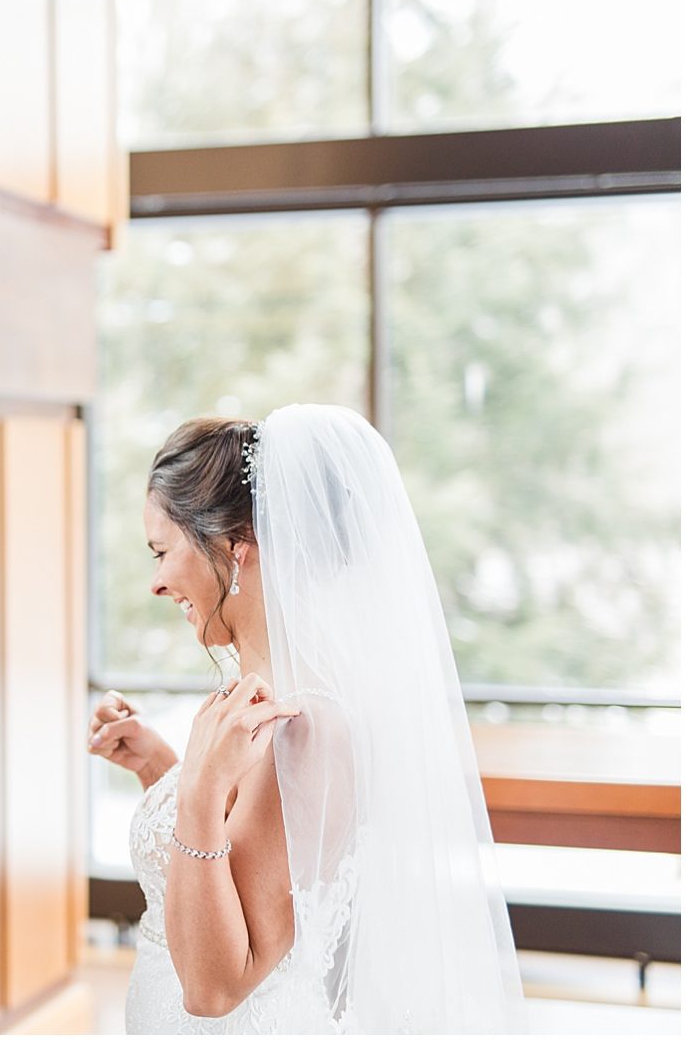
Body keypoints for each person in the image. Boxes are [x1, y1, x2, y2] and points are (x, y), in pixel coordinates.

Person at [89, 404, 523, 1033]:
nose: (156, 583)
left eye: (162, 551)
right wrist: (161, 766)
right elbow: (229, 859)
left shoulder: (306, 728)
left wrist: (197, 790)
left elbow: (214, 987)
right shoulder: (258, 697)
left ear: (235, 546)